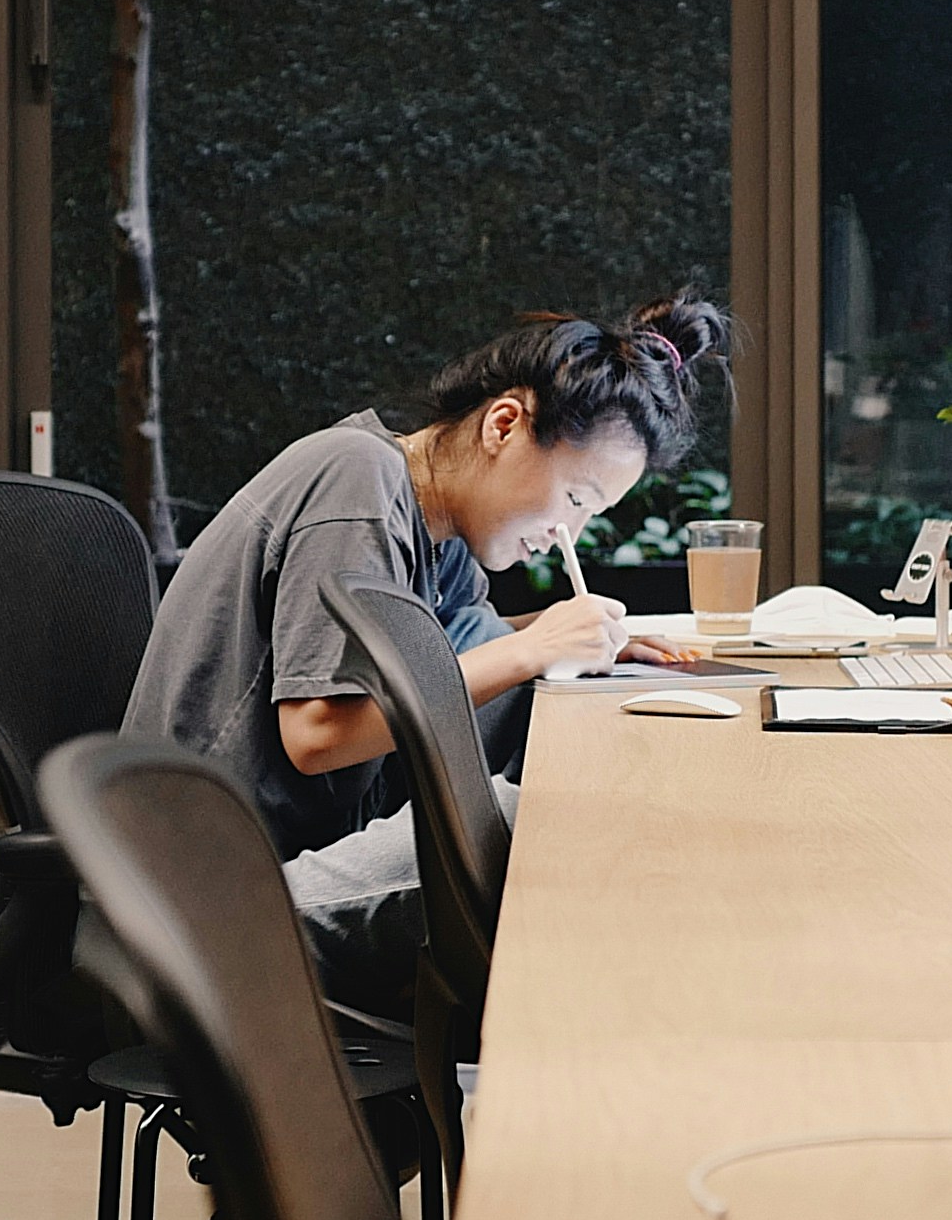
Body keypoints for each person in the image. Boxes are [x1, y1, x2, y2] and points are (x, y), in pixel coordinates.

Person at [132, 293, 728, 995]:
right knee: (534, 822)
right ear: (504, 425)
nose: (570, 531)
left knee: (565, 746)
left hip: (288, 861)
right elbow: (317, 733)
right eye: (575, 499)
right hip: (202, 902)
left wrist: (555, 638)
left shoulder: (439, 535)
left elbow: (451, 656)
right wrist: (528, 652)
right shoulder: (357, 478)